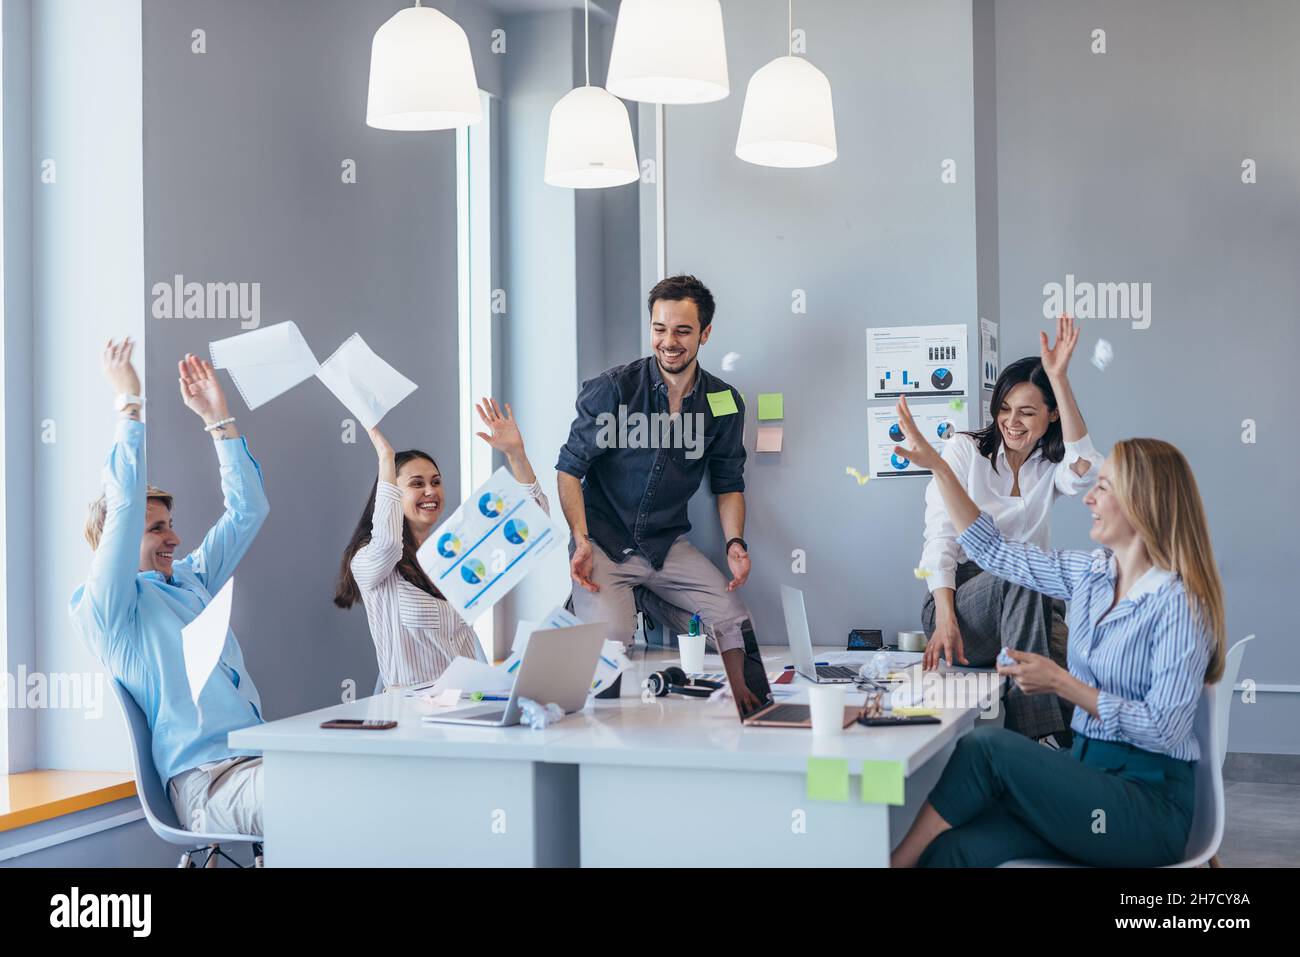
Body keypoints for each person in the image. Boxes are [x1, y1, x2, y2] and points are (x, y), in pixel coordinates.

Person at [889, 395, 1225, 867]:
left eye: (1103, 488)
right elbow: (994, 551)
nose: (1088, 497)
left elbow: (1165, 728)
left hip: (1145, 809)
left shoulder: (1178, 605)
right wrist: (939, 468)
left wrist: (1061, 683)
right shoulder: (1092, 574)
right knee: (953, 851)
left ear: (1142, 504)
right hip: (1088, 778)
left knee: (986, 747)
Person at [71, 340, 270, 838]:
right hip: (209, 785)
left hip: (260, 762)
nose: (174, 537)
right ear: (114, 544)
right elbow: (121, 512)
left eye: (171, 524)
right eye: (156, 528)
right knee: (331, 798)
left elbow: (249, 511)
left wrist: (218, 419)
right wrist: (129, 405)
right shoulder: (109, 611)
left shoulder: (190, 579)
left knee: (356, 782)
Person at [556, 274, 758, 708]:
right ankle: (616, 607)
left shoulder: (723, 402)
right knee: (611, 649)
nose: (669, 341)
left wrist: (735, 542)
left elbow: (728, 482)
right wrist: (580, 540)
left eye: (683, 330)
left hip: (667, 546)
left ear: (705, 334)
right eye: (660, 328)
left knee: (735, 628)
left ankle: (645, 597)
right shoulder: (612, 389)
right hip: (606, 544)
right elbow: (569, 470)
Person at [919, 314, 1100, 742]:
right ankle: (1030, 741)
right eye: (1004, 409)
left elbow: (1088, 473)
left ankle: (1088, 771)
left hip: (1032, 604)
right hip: (962, 607)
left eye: (1026, 412)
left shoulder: (1049, 467)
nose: (1011, 421)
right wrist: (945, 616)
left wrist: (1060, 380)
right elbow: (940, 537)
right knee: (1022, 571)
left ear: (1052, 415)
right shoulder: (965, 450)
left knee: (1079, 672)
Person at [335, 399, 549, 689]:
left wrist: (517, 455)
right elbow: (387, 545)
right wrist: (386, 457)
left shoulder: (453, 551)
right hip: (410, 711)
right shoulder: (368, 560)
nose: (430, 491)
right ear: (390, 495)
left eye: (436, 482)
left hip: (465, 702)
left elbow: (533, 524)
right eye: (416, 483)